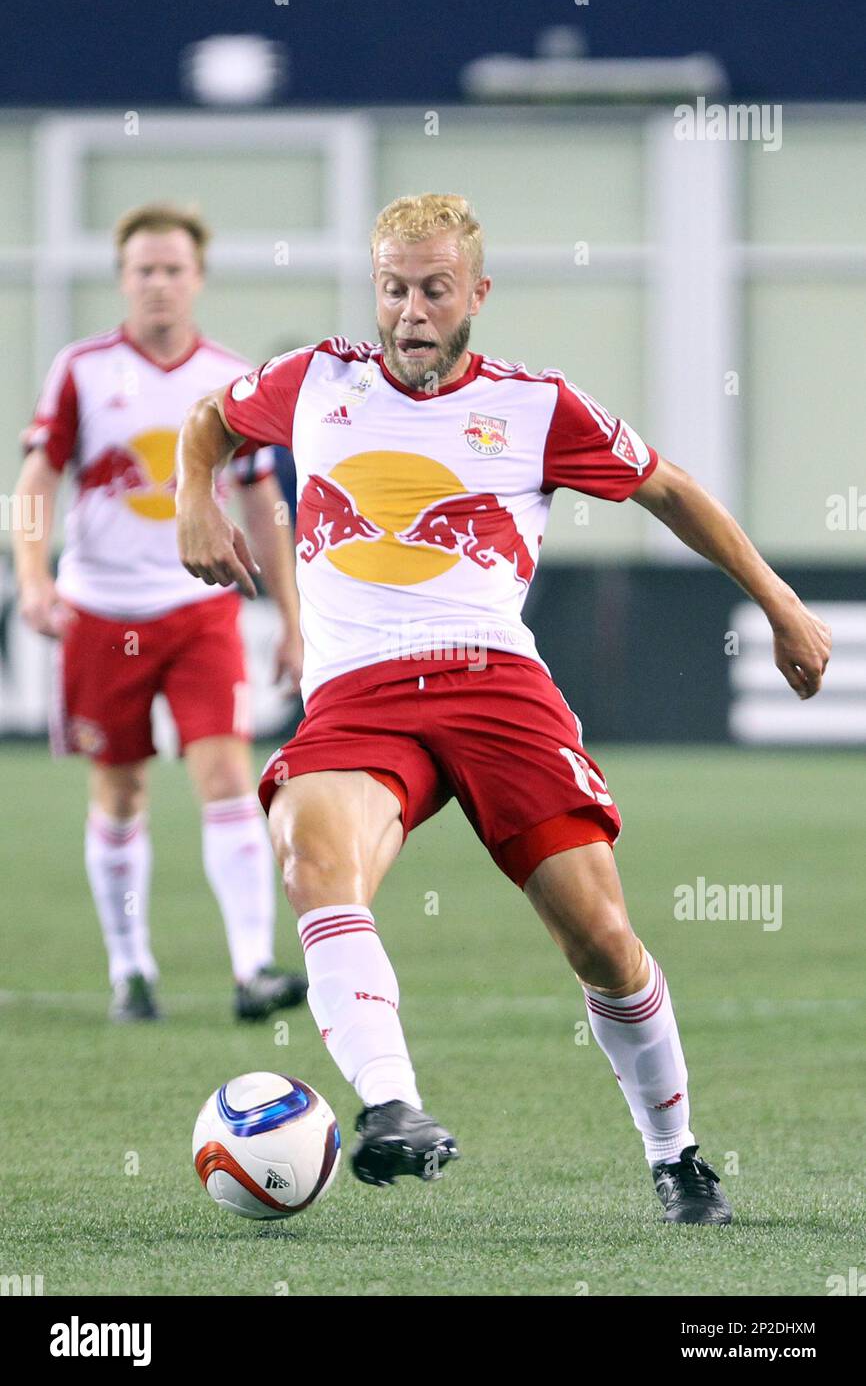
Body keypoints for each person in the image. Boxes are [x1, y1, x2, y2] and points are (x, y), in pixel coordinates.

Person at [174, 193, 831, 1224]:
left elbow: (666, 489)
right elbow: (210, 419)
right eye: (392, 288)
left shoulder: (537, 406)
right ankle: (392, 1107)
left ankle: (675, 1153)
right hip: (357, 694)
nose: (409, 313)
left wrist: (778, 601)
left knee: (601, 939)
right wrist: (191, 497)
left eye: (433, 289)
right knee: (309, 855)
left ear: (476, 292)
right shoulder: (315, 380)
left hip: (492, 684)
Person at [13, 202, 308, 1024]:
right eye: (143, 269)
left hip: (199, 605)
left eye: (173, 268)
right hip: (101, 612)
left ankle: (252, 966)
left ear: (198, 279)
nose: (158, 283)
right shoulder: (81, 369)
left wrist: (289, 617)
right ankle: (130, 968)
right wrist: (34, 578)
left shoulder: (231, 377)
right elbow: (36, 484)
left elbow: (262, 505)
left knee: (226, 776)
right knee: (119, 791)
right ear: (123, 279)